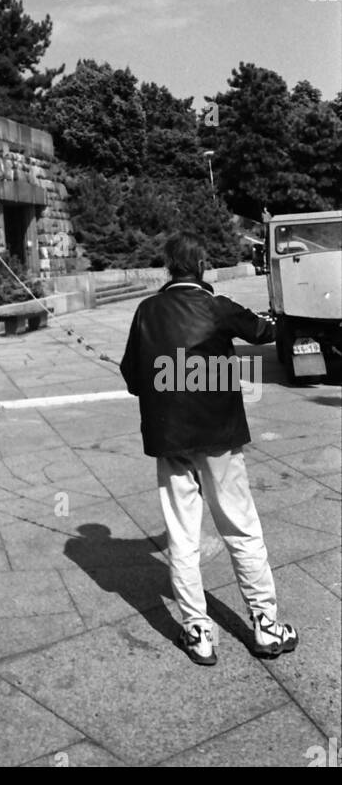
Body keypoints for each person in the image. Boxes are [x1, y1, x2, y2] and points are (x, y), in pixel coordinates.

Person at [119, 232, 298, 666]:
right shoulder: (217, 306)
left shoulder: (146, 311)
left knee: (182, 537)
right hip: (219, 438)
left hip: (170, 439)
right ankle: (266, 625)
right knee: (241, 529)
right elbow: (264, 332)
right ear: (201, 266)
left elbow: (131, 377)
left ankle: (198, 633)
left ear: (168, 268)